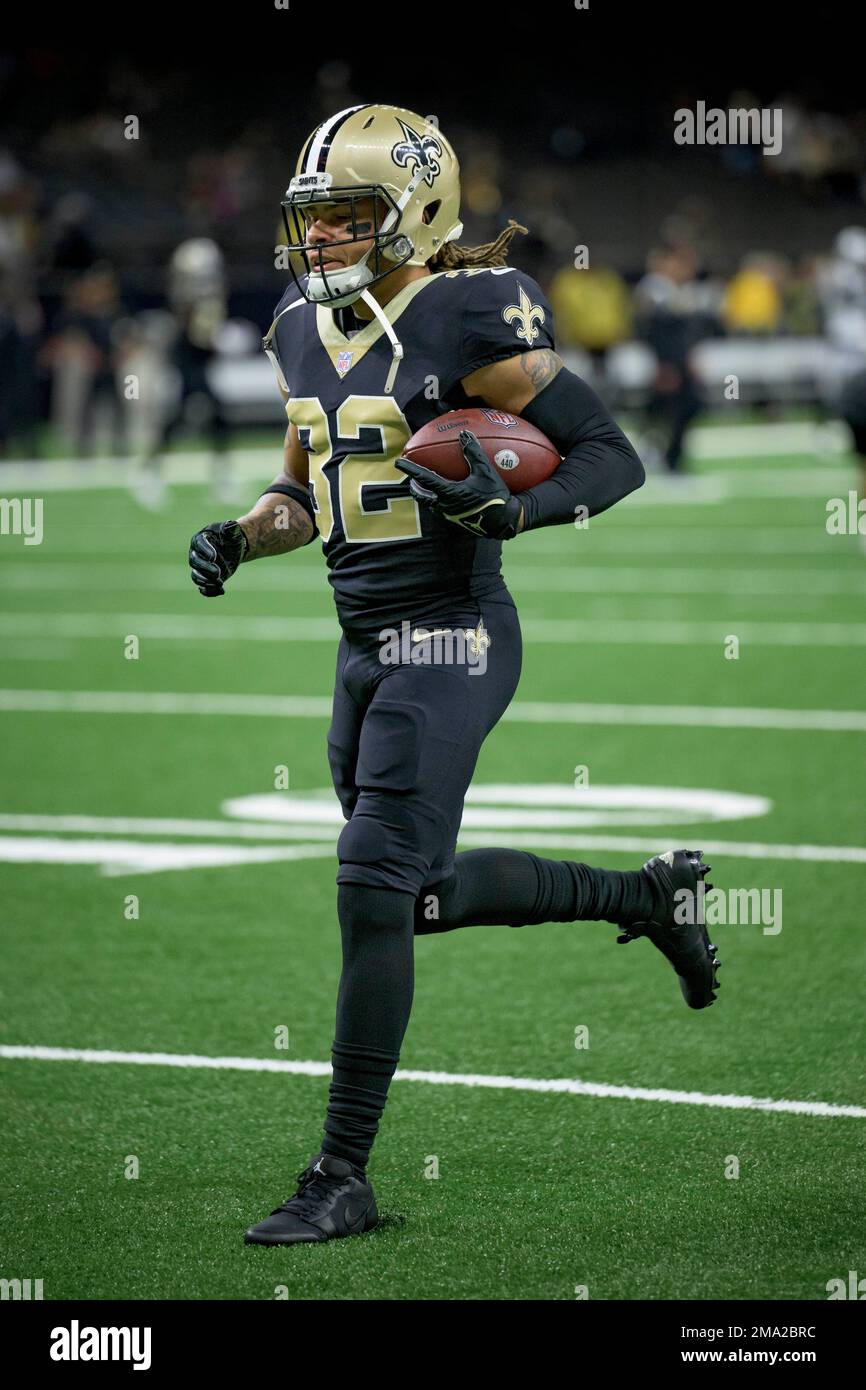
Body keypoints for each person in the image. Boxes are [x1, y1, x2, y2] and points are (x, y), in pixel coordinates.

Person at [188, 104, 721, 1247]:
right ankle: (645, 895)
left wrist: (513, 510)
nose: (318, 240)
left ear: (411, 216)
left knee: (369, 886)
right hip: (360, 644)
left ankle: (340, 1171)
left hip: (452, 631)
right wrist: (241, 535)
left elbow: (607, 453)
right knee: (413, 901)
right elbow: (301, 490)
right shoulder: (296, 322)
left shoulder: (471, 310)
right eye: (311, 219)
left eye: (343, 218)